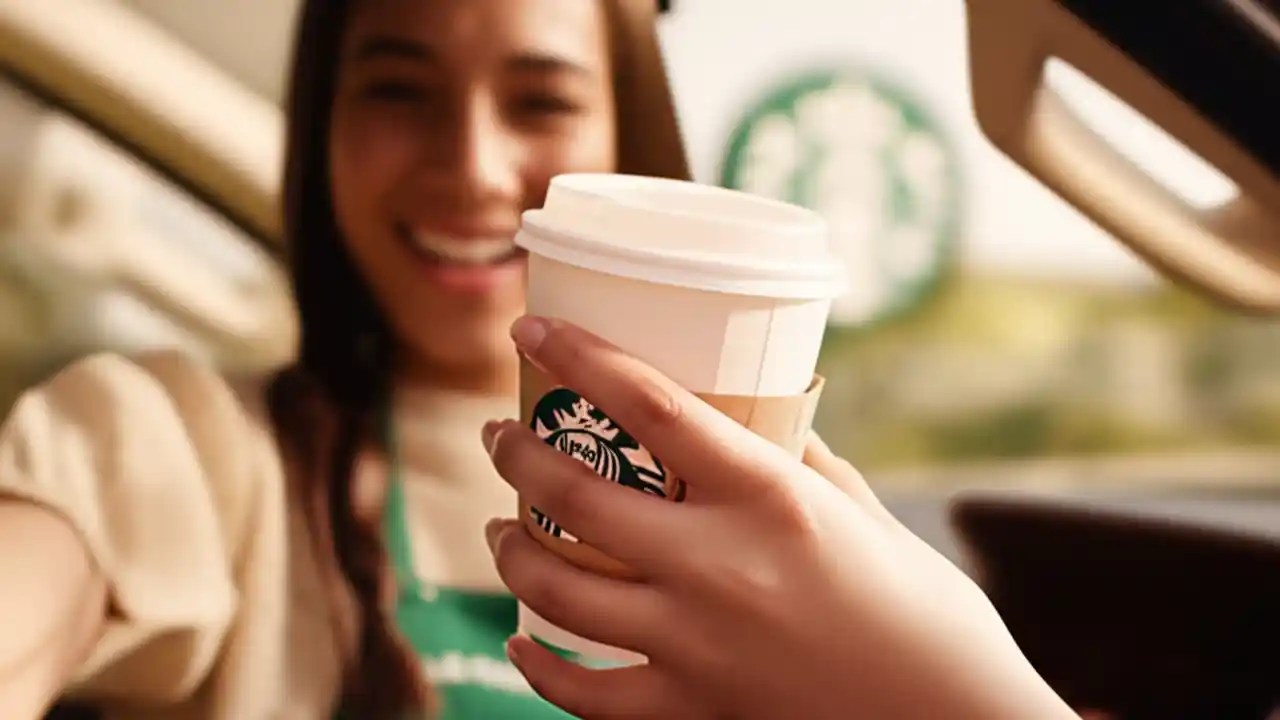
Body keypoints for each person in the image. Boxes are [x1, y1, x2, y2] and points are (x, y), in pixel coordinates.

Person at [0, 0, 687, 718]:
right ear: (324, 119)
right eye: (399, 91)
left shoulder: (738, 511)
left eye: (541, 102)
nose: (473, 171)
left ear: (626, 136)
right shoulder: (200, 452)